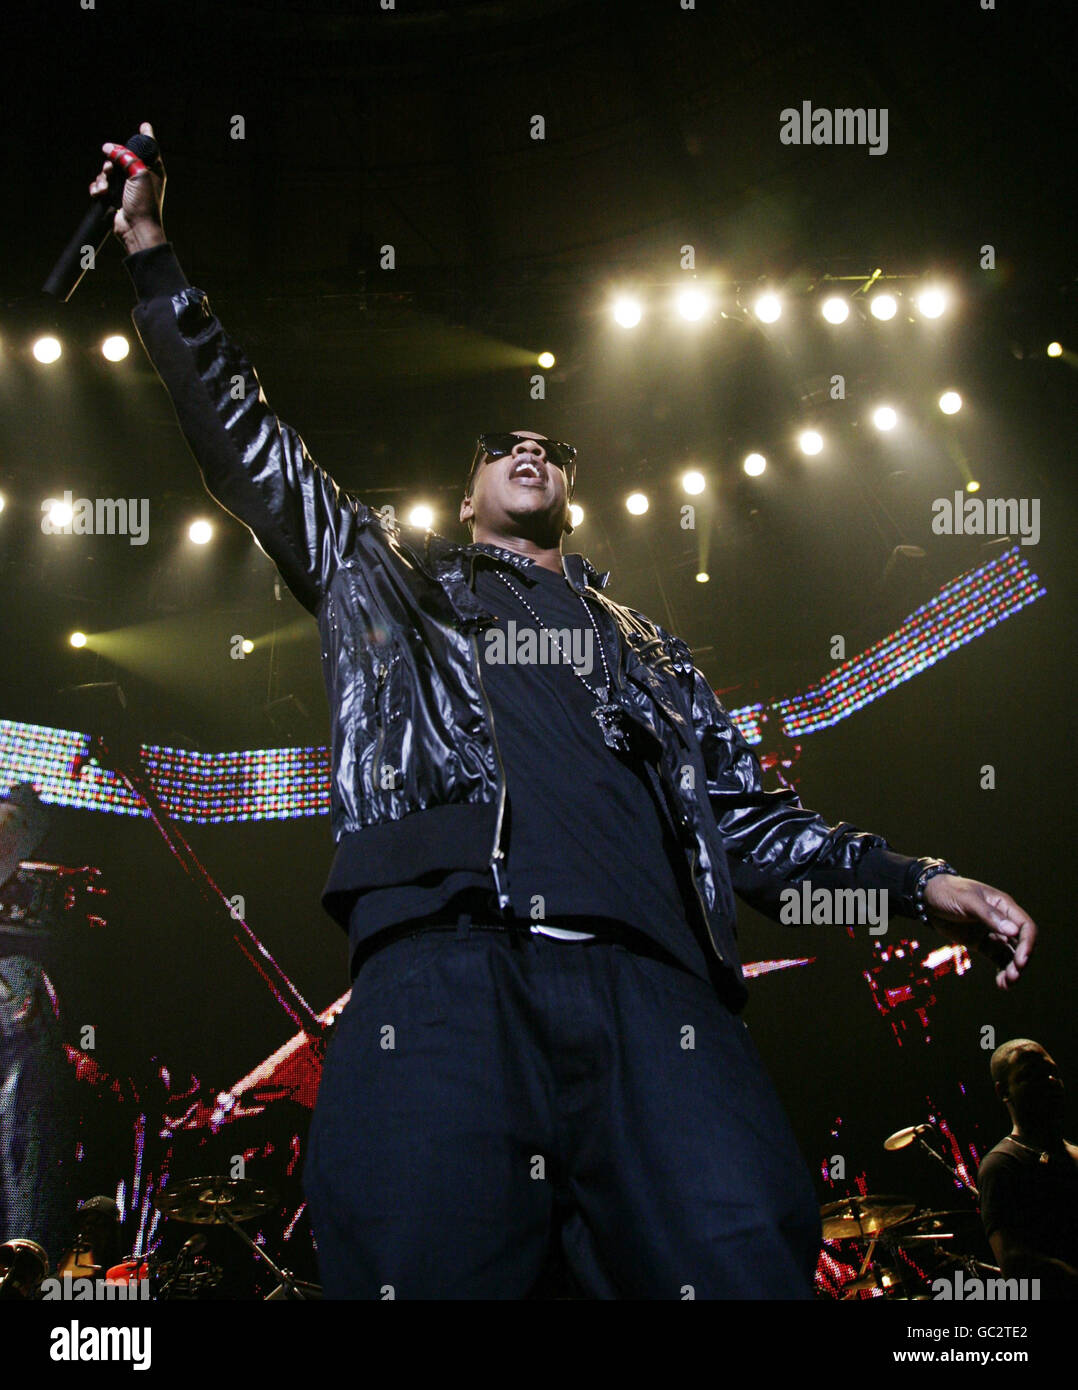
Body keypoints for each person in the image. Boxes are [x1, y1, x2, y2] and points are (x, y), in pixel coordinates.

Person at [91, 123, 1038, 1299]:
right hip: (447, 981)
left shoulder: (650, 651)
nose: (531, 452)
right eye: (505, 445)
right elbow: (246, 440)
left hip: (658, 1002)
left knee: (745, 1266)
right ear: (469, 483)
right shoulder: (389, 579)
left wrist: (915, 878)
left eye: (552, 445)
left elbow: (753, 828)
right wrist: (152, 251)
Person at [978, 1040, 1078, 1298]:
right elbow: (1015, 1263)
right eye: (1029, 1076)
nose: (1049, 1081)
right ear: (1003, 1092)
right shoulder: (1001, 1166)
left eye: (1051, 1072)